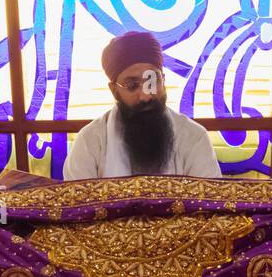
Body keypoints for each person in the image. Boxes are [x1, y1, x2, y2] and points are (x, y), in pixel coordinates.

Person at [63, 31, 222, 180]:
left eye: (152, 81)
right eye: (132, 85)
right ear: (114, 90)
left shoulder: (194, 137)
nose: (146, 95)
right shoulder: (90, 142)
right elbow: (78, 208)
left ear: (163, 80)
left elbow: (209, 204)